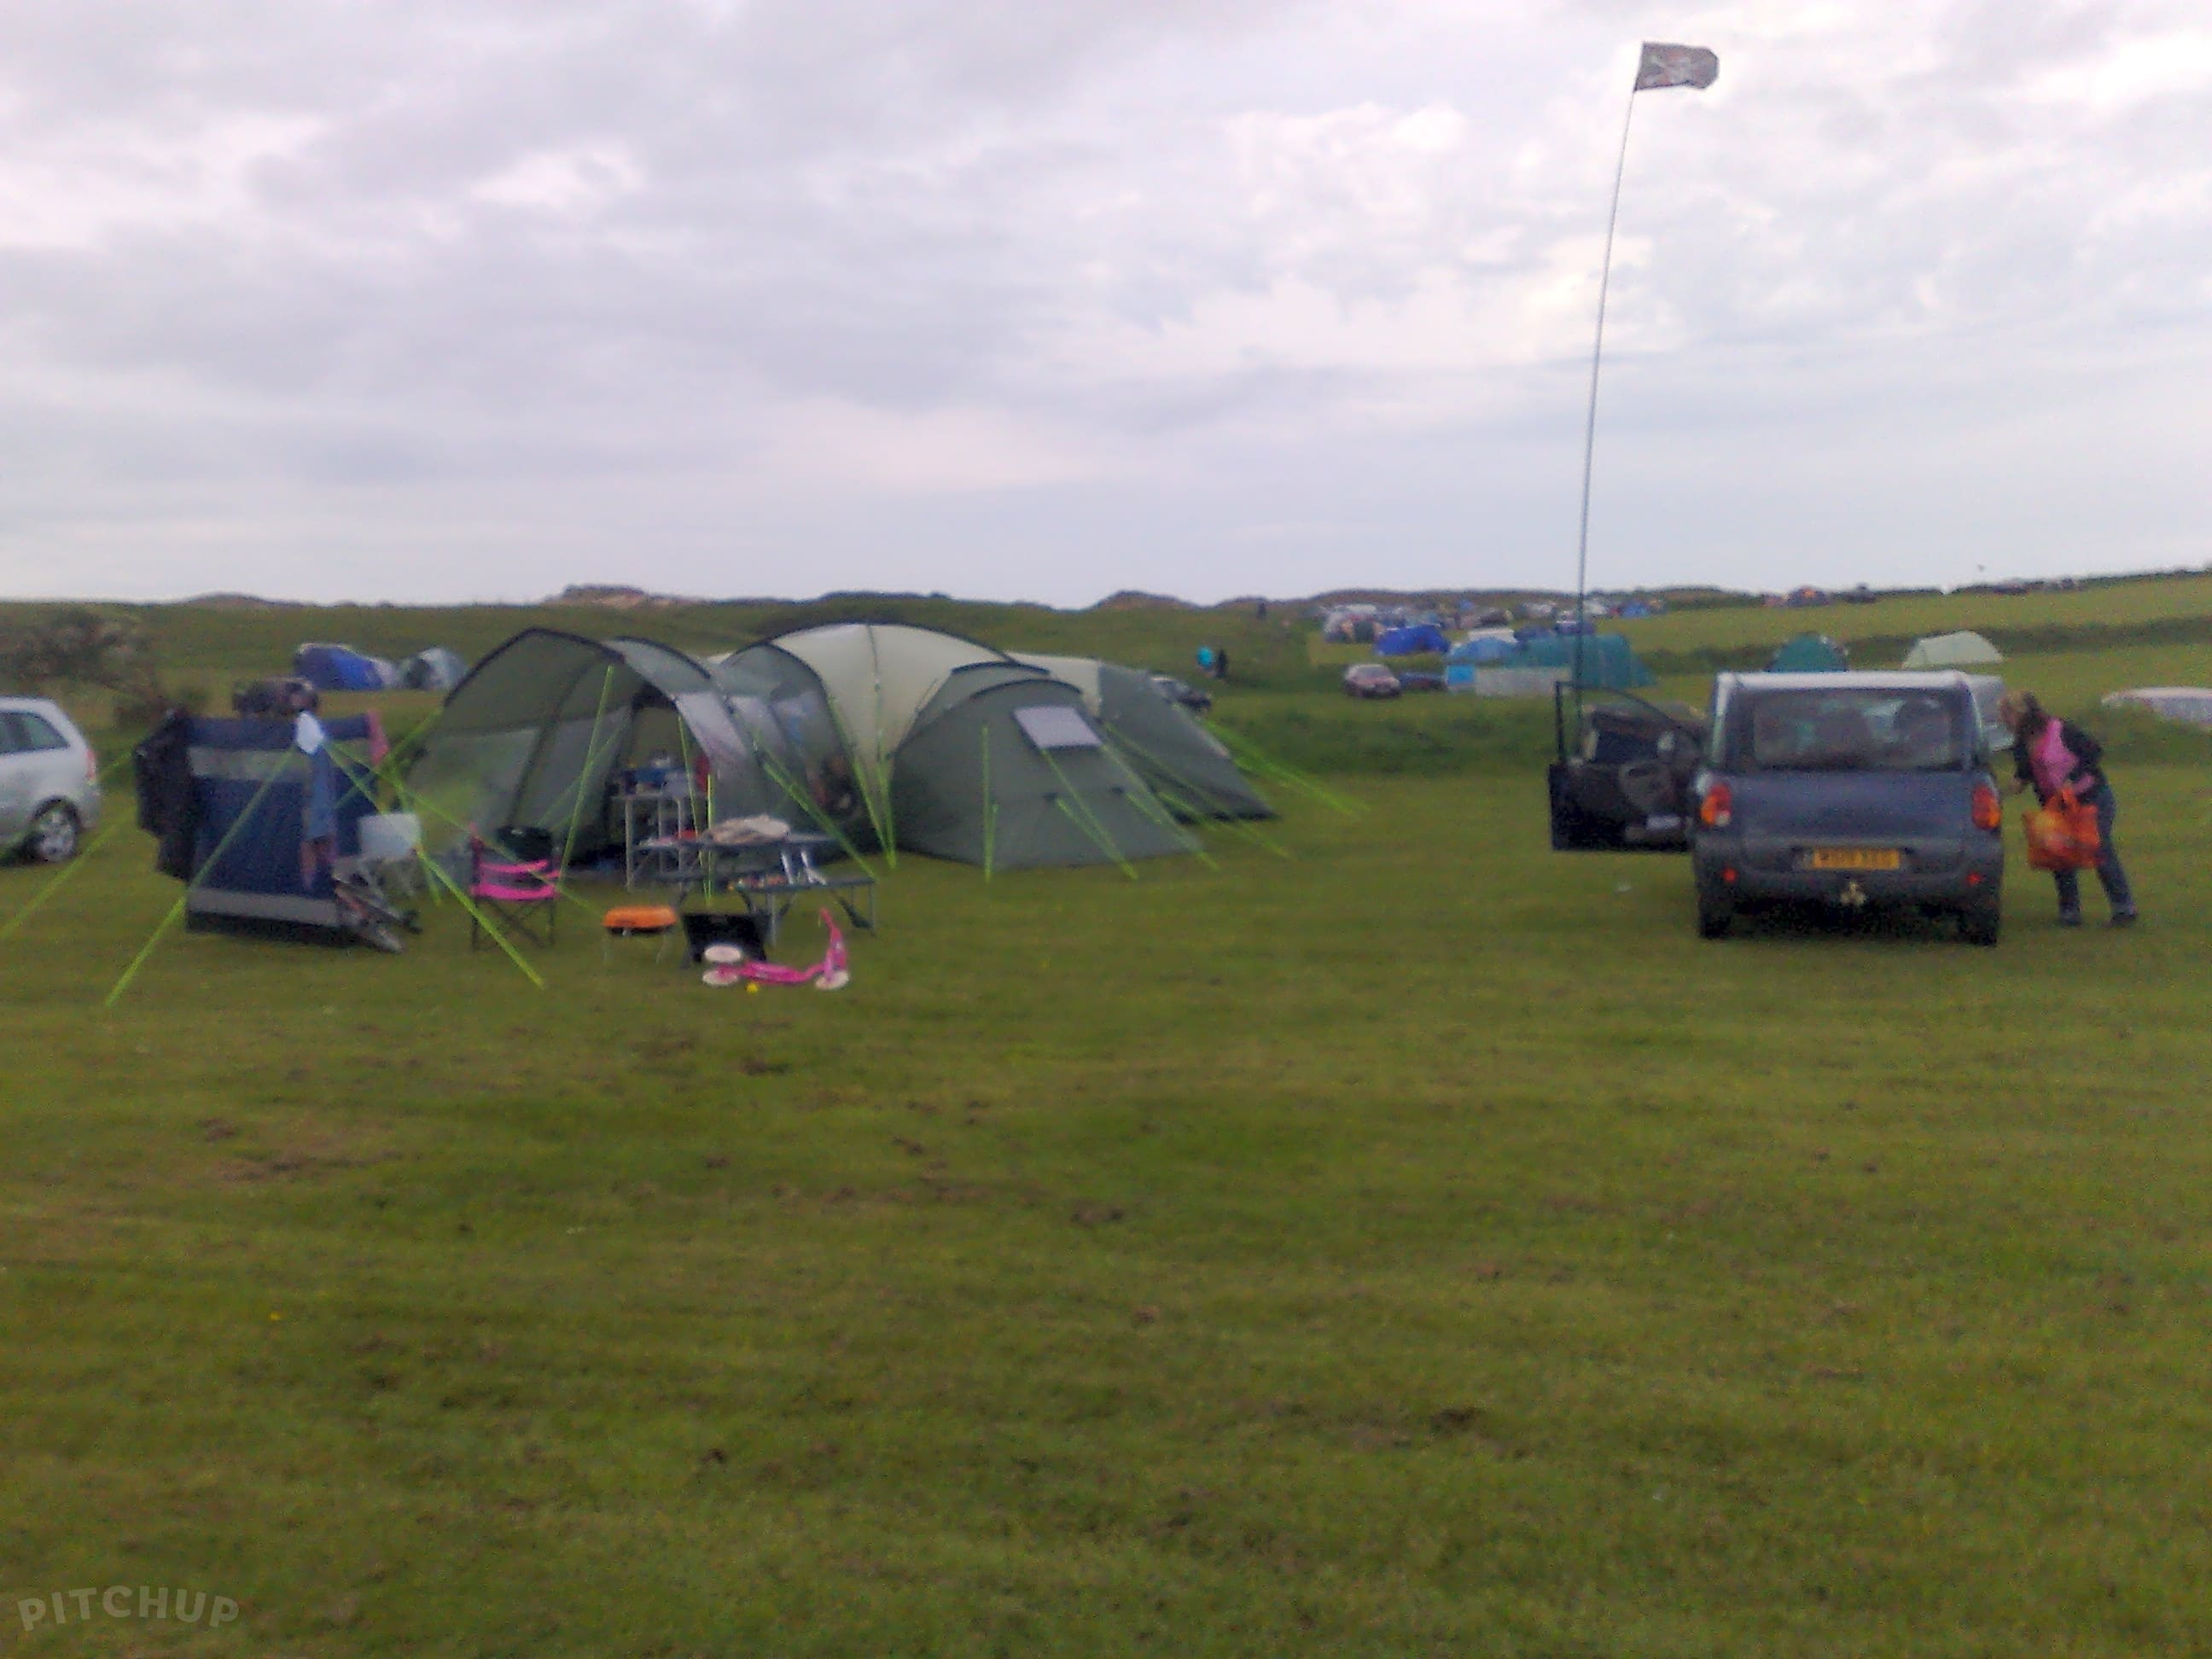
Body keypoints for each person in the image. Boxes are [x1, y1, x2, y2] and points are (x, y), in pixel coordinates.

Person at [1999, 692, 2137, 927]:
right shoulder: (2021, 743)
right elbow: (2024, 775)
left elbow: (2093, 752)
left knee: (2097, 847)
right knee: (2058, 853)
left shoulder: (2061, 729)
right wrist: (1999, 793)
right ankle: (2069, 911)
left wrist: (2073, 778)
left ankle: (2124, 907)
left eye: (2007, 715)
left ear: (2021, 714)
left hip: (2092, 798)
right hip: (2055, 806)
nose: (2004, 721)